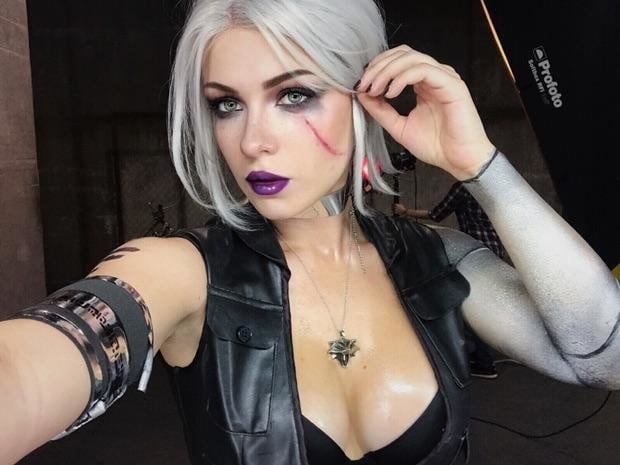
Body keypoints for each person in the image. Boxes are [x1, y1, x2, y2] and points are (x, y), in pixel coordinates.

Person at [2, 1, 620, 465]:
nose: (252, 141)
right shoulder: (182, 272)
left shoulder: (437, 259)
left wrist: (480, 165)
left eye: (294, 95)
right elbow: (26, 372)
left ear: (365, 96)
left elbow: (602, 359)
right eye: (226, 104)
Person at [393, 182, 508, 379]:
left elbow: (437, 213)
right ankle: (478, 355)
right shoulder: (488, 186)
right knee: (483, 305)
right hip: (495, 250)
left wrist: (405, 211)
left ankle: (485, 363)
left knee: (469, 306)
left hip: (475, 254)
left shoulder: (463, 188)